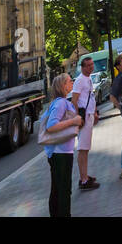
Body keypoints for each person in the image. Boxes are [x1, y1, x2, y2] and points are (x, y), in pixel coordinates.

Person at [43, 73, 82, 217]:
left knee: (57, 189)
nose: (72, 82)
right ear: (63, 85)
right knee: (64, 190)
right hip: (61, 154)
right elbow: (51, 126)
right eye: (70, 81)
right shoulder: (60, 103)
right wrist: (73, 121)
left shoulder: (59, 102)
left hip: (60, 152)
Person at [70, 56, 100, 191]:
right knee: (82, 149)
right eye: (88, 65)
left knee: (85, 149)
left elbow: (90, 99)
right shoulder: (80, 80)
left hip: (88, 116)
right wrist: (78, 118)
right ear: (82, 67)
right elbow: (74, 101)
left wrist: (94, 113)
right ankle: (83, 180)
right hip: (84, 118)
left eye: (92, 64)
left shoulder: (88, 79)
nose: (91, 67)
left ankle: (84, 176)